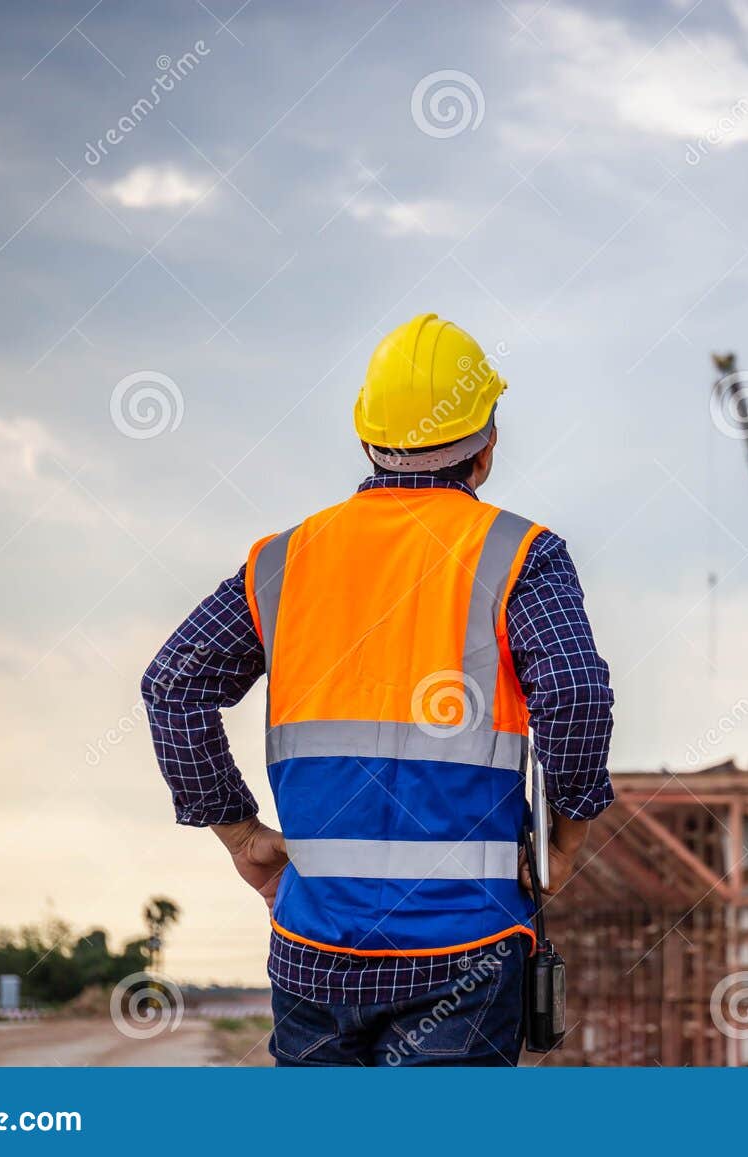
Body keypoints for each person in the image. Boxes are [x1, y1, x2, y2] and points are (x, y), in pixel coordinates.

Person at [143, 313, 615, 1066]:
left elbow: (173, 683)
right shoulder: (522, 553)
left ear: (366, 438)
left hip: (314, 951)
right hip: (467, 947)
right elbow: (575, 691)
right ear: (486, 450)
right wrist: (567, 832)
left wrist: (238, 832)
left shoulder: (283, 561)